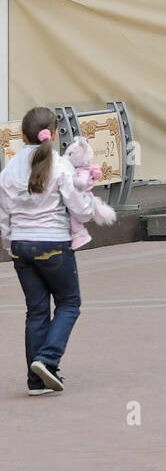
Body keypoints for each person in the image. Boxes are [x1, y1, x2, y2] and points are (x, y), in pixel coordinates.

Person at [0, 107, 111, 395]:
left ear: (22, 135)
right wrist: (89, 202)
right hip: (53, 244)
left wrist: (9, 242)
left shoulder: (10, 168)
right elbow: (81, 210)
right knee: (69, 303)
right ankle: (47, 360)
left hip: (20, 247)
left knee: (36, 311)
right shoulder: (61, 166)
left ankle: (36, 381)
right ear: (56, 132)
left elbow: (3, 213)